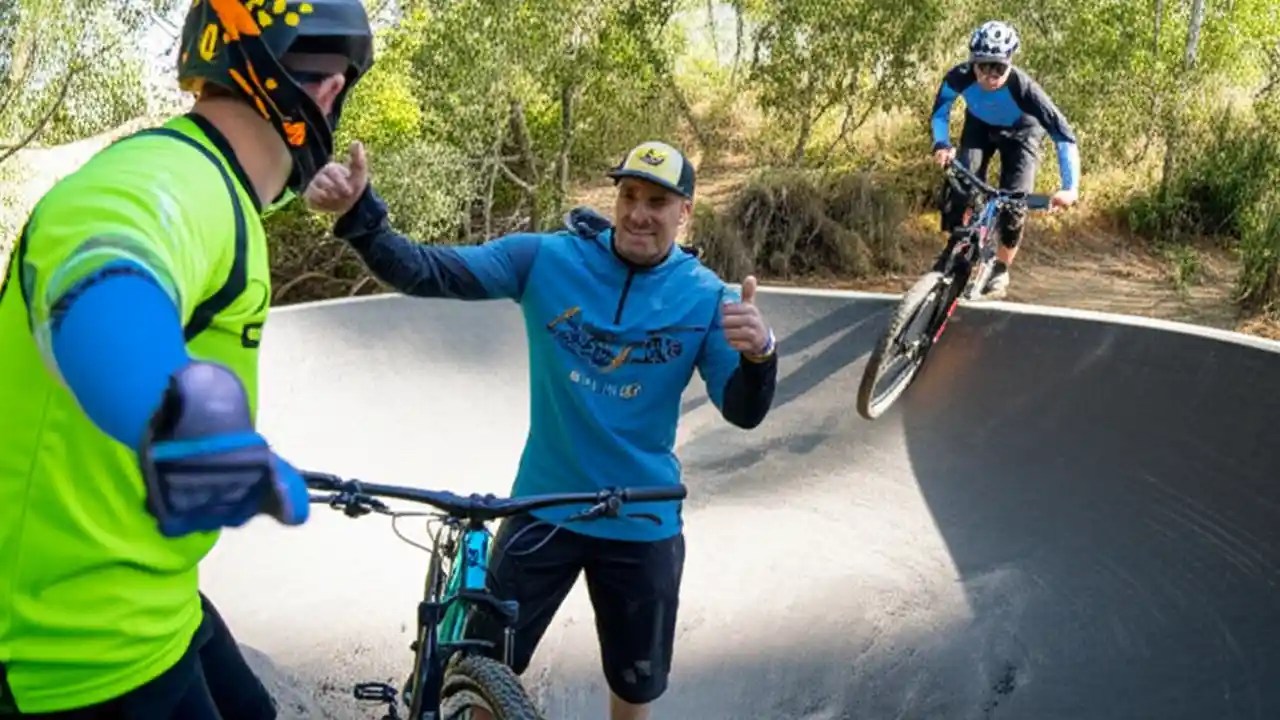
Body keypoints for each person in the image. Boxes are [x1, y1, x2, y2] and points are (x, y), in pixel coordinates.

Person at [303, 139, 778, 719]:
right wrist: (360, 216)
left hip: (641, 518)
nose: (638, 213)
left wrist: (760, 355)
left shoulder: (708, 298)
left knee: (633, 690)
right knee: (482, 670)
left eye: (658, 201)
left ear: (685, 213)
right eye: (629, 195)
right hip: (543, 505)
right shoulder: (548, 260)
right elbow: (429, 271)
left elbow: (744, 410)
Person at [0, 0, 374, 717]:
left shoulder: (213, 185)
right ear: (328, 92)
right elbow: (102, 265)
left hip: (157, 600)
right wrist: (183, 419)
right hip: (77, 644)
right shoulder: (172, 176)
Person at [929, 19, 1081, 297]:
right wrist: (941, 143)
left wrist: (1070, 188)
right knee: (961, 185)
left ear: (1010, 62)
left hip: (1022, 132)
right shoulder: (958, 77)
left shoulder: (1025, 89)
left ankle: (1000, 269)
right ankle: (955, 248)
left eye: (998, 66)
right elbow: (940, 112)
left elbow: (1065, 136)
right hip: (979, 126)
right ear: (972, 62)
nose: (990, 74)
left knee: (1014, 205)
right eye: (983, 65)